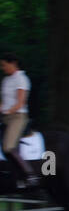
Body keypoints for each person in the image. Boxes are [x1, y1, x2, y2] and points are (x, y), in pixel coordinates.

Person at [1, 54, 37, 188]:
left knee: (8, 147)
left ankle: (29, 175)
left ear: (13, 63)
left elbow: (20, 103)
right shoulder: (6, 80)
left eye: (4, 65)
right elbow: (4, 102)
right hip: (5, 116)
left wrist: (7, 111)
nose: (2, 68)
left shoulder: (22, 79)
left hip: (17, 116)